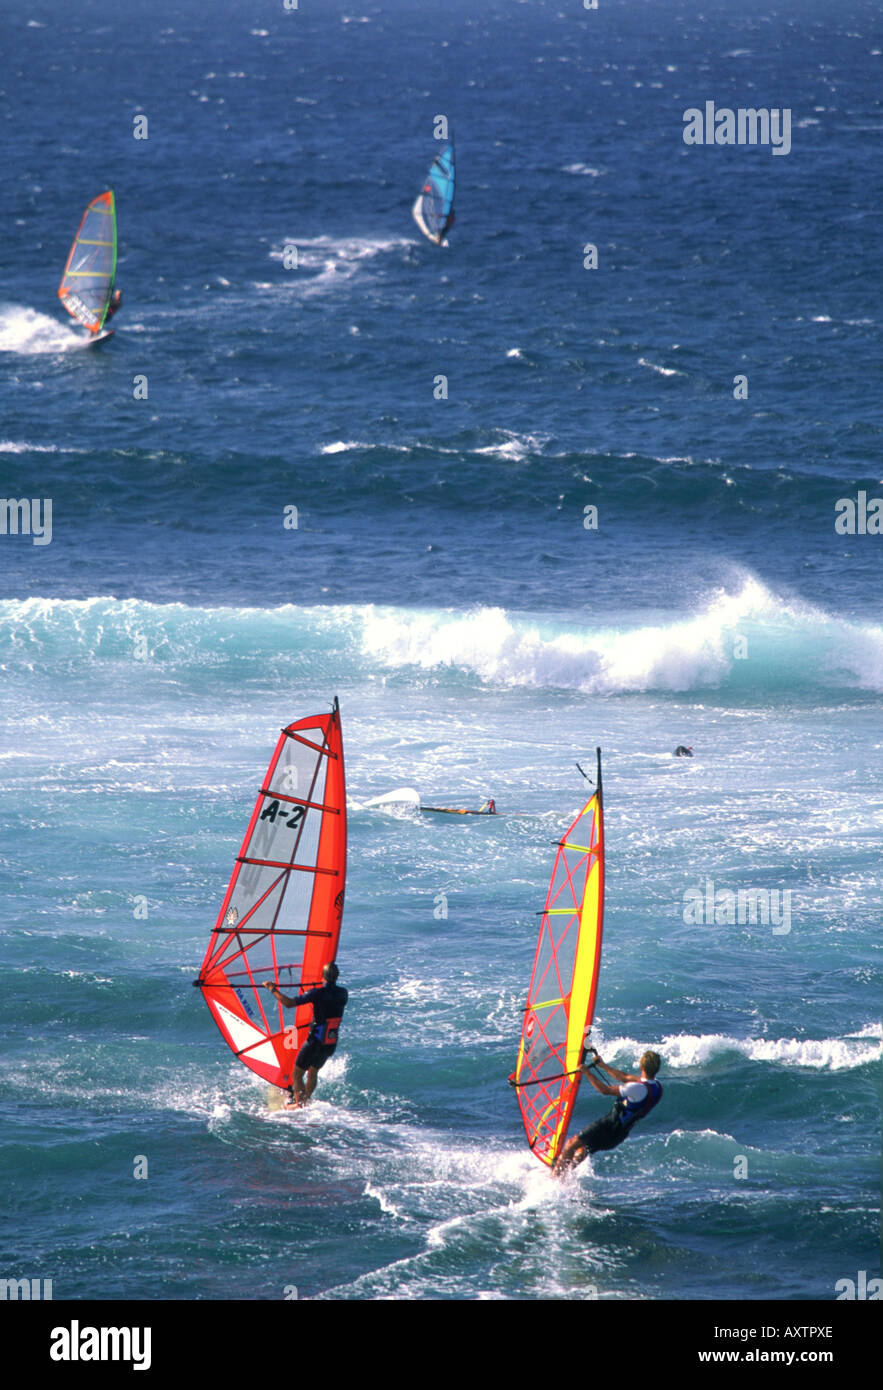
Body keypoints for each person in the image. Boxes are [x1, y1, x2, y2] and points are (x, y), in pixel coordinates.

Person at [553, 1048, 663, 1176]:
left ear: (641, 1066)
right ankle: (563, 1176)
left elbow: (605, 1090)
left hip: (609, 1126)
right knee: (582, 1150)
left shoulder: (637, 1088)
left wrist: (586, 1072)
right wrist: (603, 1065)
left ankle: (553, 1178)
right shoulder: (656, 1086)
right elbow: (624, 1077)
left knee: (571, 1144)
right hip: (619, 1134)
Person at [263, 961, 348, 1108]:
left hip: (314, 1042)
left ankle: (299, 1105)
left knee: (296, 1075)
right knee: (313, 1072)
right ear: (337, 976)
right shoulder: (343, 993)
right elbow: (327, 1005)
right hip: (330, 1042)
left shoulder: (317, 993)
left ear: (322, 976)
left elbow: (289, 1003)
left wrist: (272, 989)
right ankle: (305, 1101)